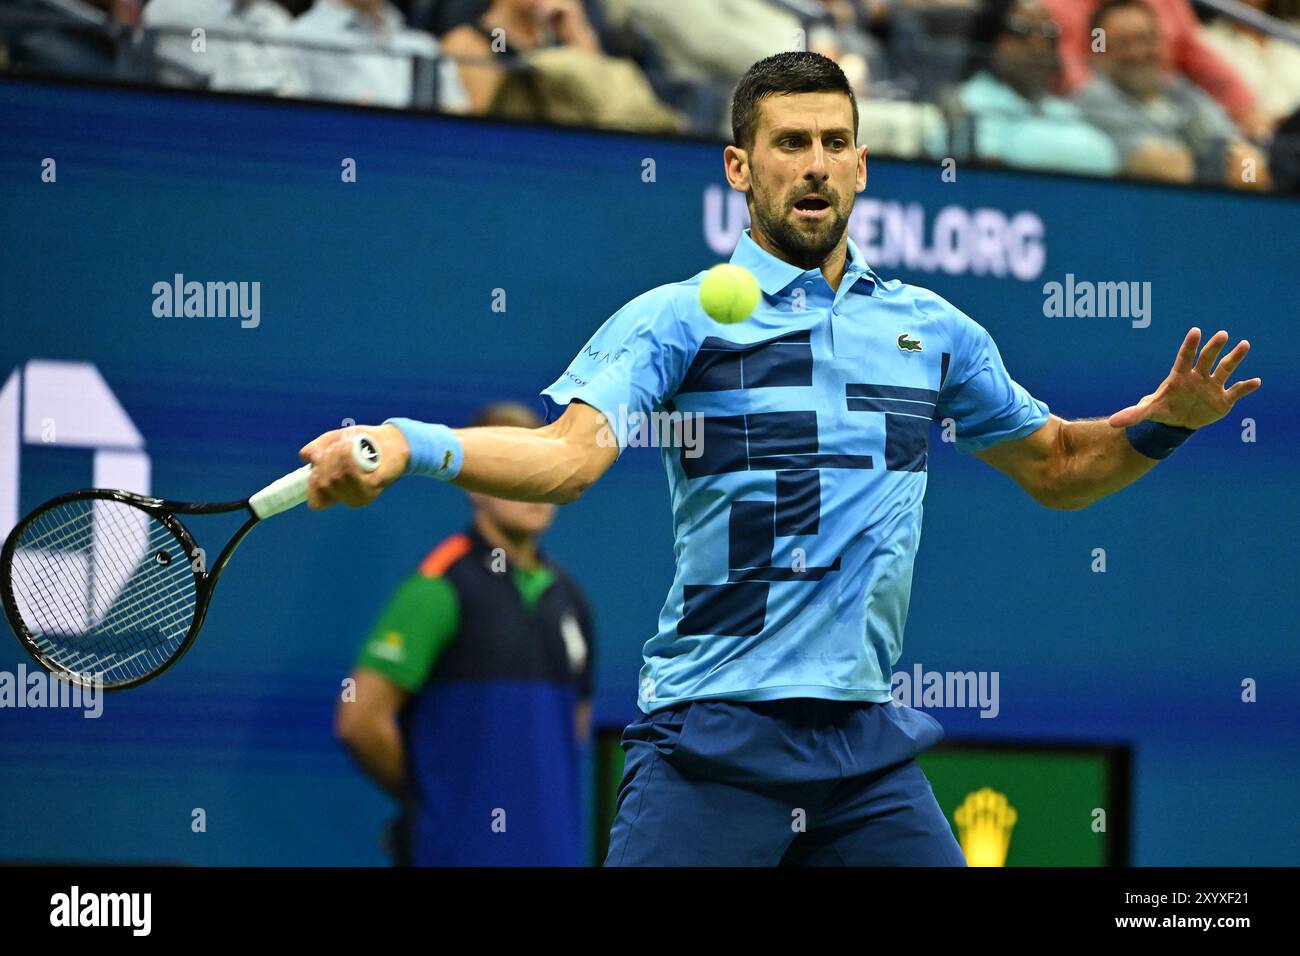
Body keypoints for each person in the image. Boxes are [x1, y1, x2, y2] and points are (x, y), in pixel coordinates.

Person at [302, 52, 1260, 866]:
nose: (815, 167)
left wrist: (1164, 421)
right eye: (790, 144)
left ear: (862, 164)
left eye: (835, 143)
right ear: (738, 166)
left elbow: (1058, 465)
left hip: (864, 752)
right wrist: (407, 444)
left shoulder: (933, 331)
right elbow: (566, 459)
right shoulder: (677, 317)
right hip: (712, 736)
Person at [335, 402, 594, 866]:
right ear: (476, 482)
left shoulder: (571, 600)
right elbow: (360, 720)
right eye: (513, 467)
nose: (530, 484)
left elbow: (572, 729)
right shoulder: (436, 587)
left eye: (537, 466)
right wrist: (441, 797)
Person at [1073, 0, 1269, 188]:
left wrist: (1247, 172)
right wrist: (1226, 164)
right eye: (1123, 43)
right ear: (1098, 50)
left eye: (1146, 38)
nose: (1138, 52)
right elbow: (1167, 170)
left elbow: (1247, 162)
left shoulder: (1181, 91)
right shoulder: (1094, 99)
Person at [955, 0, 1119, 176]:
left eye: (1048, 32)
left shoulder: (1064, 110)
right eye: (1021, 31)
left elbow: (1105, 157)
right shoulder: (964, 105)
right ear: (990, 39)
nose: (1038, 45)